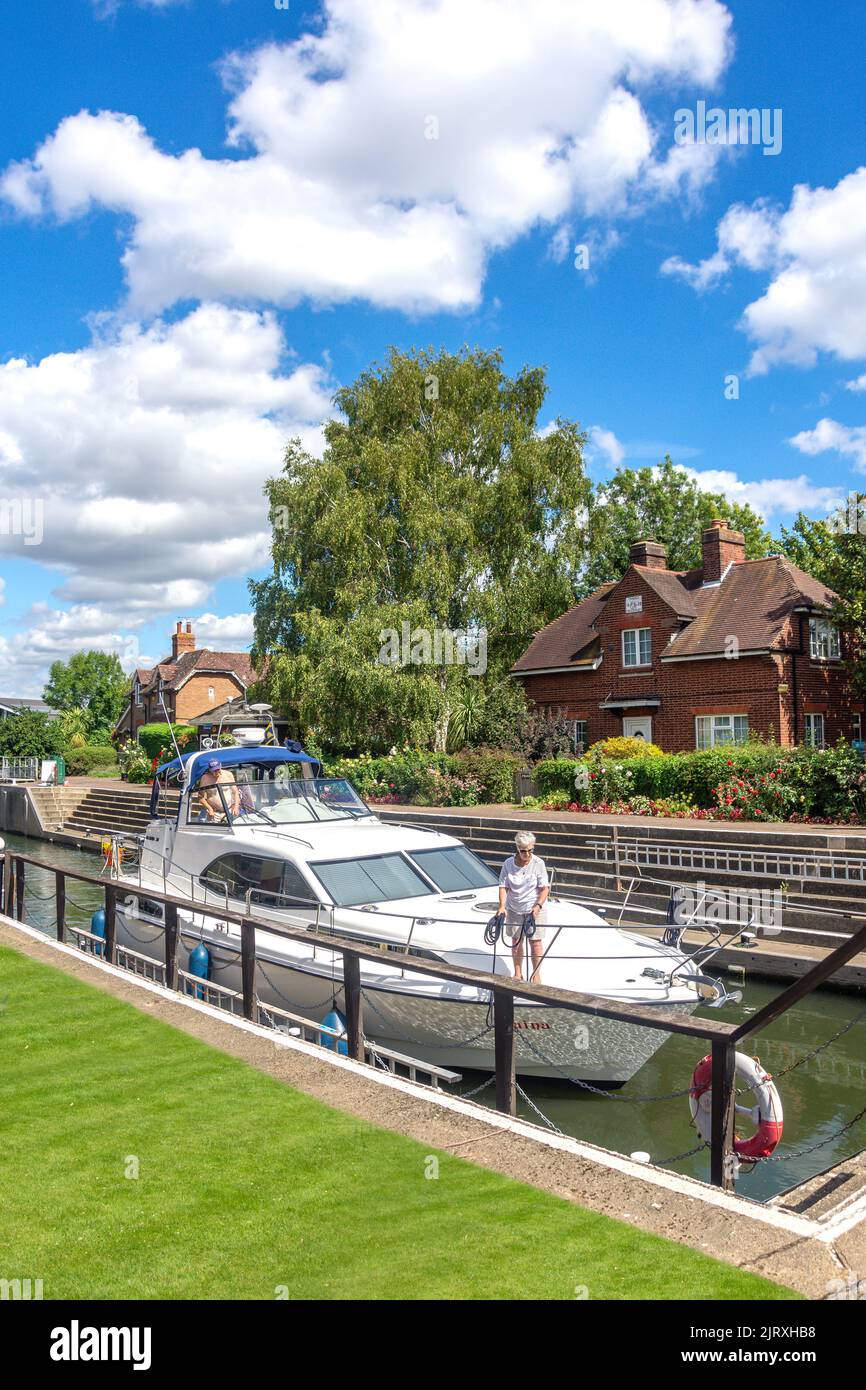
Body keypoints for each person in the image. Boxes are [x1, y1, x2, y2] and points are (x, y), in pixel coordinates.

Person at [497, 831, 549, 983]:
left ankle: (536, 974)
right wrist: (502, 906)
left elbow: (545, 888)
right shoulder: (508, 864)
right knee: (516, 941)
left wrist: (538, 906)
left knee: (536, 942)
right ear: (517, 849)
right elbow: (503, 886)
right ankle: (518, 973)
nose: (527, 854)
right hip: (514, 908)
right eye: (523, 851)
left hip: (534, 908)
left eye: (530, 850)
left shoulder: (538, 863)